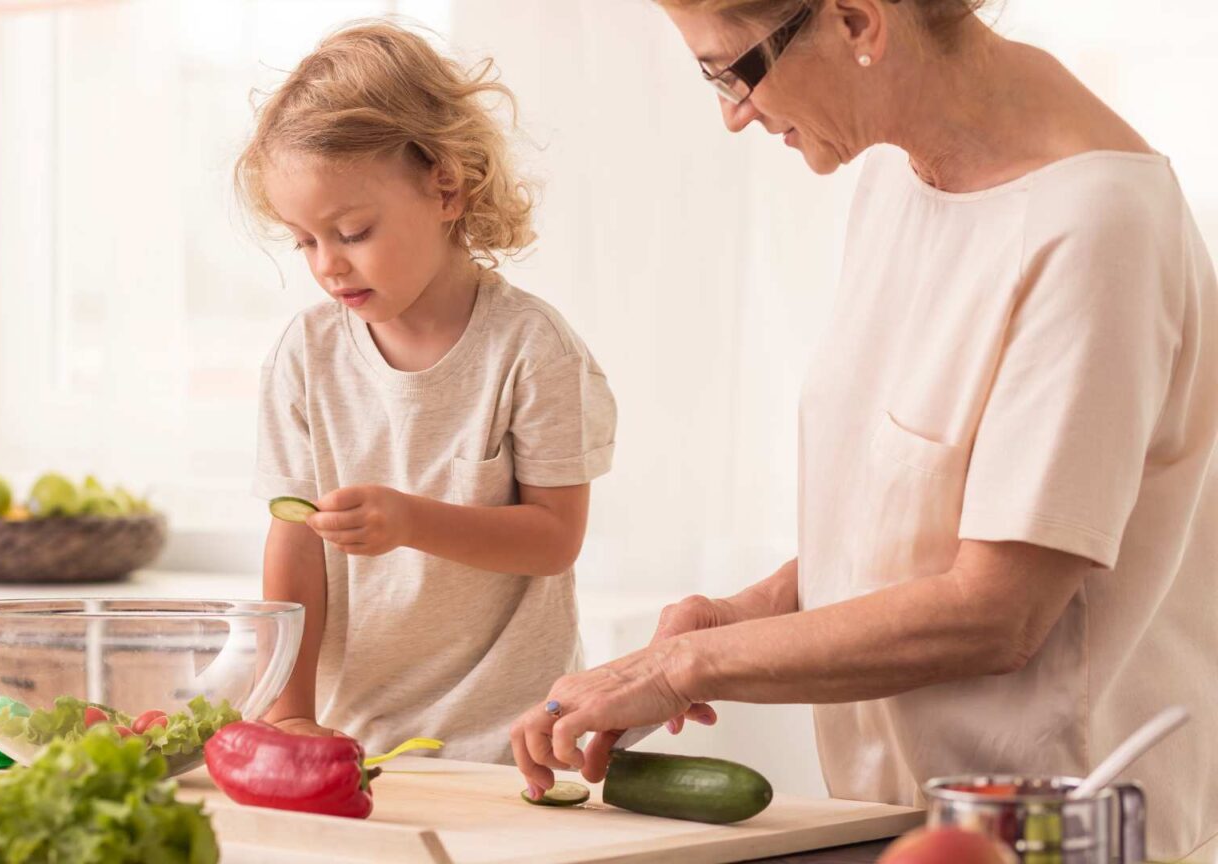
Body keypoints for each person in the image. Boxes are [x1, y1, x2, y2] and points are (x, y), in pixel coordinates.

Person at [510, 1, 1217, 858]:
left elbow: (999, 610)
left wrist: (680, 670)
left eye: (734, 71)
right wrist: (736, 616)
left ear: (855, 21)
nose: (733, 114)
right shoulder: (896, 175)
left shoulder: (1099, 226)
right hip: (900, 819)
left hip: (1056, 832)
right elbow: (912, 522)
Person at [238, 21, 618, 763]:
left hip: (513, 748)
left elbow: (553, 539)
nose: (326, 265)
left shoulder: (533, 351)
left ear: (446, 187)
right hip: (357, 741)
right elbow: (294, 547)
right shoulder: (306, 355)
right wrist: (289, 716)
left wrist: (410, 520)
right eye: (304, 240)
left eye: (351, 230)